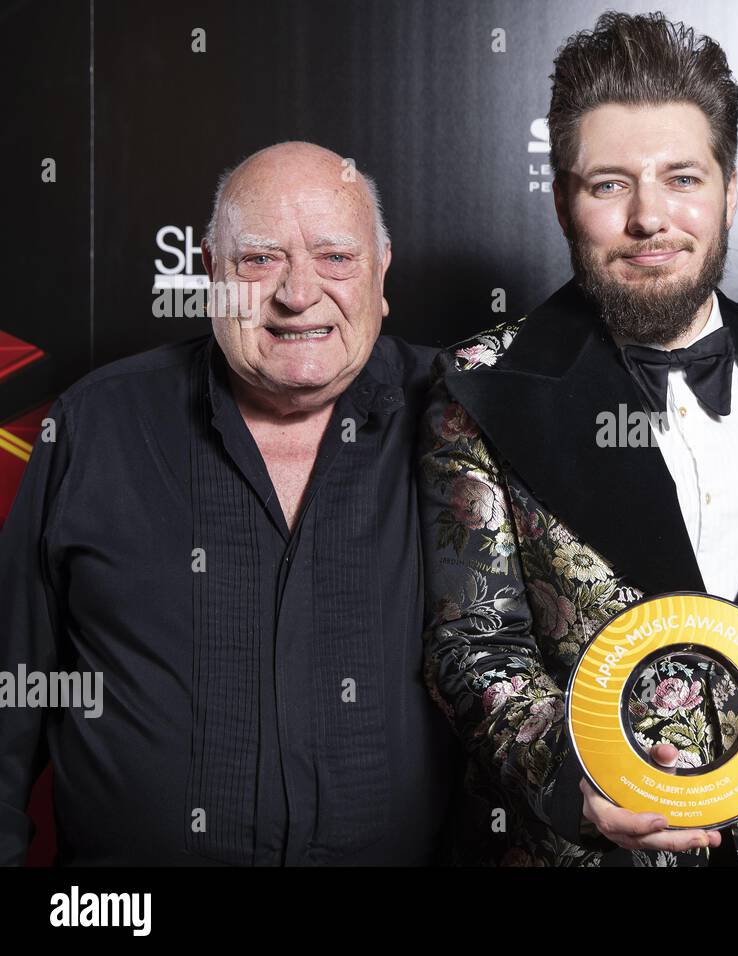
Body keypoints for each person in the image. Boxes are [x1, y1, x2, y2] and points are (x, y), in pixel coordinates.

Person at [420, 12, 738, 867]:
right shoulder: (480, 380)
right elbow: (472, 645)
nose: (651, 217)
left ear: (730, 188)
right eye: (609, 184)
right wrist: (578, 782)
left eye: (683, 177)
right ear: (564, 200)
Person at [0, 141, 458, 865]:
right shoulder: (96, 424)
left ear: (381, 273)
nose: (298, 293)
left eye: (336, 258)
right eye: (259, 260)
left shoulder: (458, 418)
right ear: (210, 273)